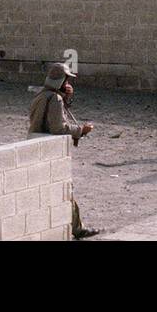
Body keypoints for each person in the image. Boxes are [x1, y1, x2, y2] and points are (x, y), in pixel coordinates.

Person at [28, 62, 98, 238]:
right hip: (50, 151)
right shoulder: (54, 99)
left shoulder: (42, 95)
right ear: (61, 80)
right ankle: (77, 229)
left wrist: (65, 98)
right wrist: (81, 130)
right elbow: (58, 128)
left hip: (34, 146)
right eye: (66, 80)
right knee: (67, 190)